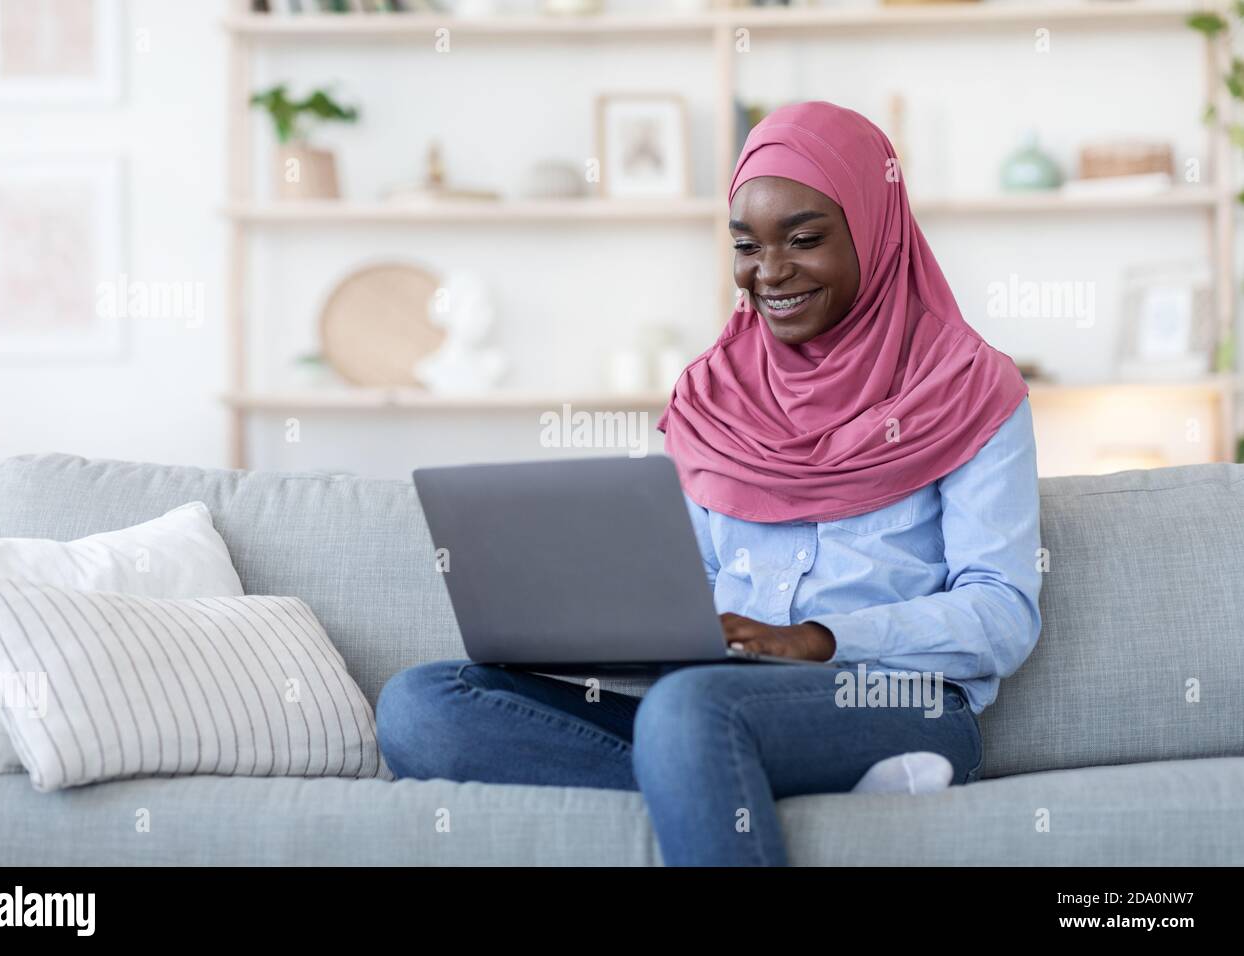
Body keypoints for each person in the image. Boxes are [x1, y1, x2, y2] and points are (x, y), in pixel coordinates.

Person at [377, 100, 1043, 867]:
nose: (771, 271)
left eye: (805, 238)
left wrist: (818, 641)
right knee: (424, 706)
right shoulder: (711, 392)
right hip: (705, 697)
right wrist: (619, 627)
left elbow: (1002, 611)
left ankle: (716, 772)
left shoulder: (967, 384)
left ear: (874, 228)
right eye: (747, 245)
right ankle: (725, 786)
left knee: (689, 715)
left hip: (897, 703)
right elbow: (692, 577)